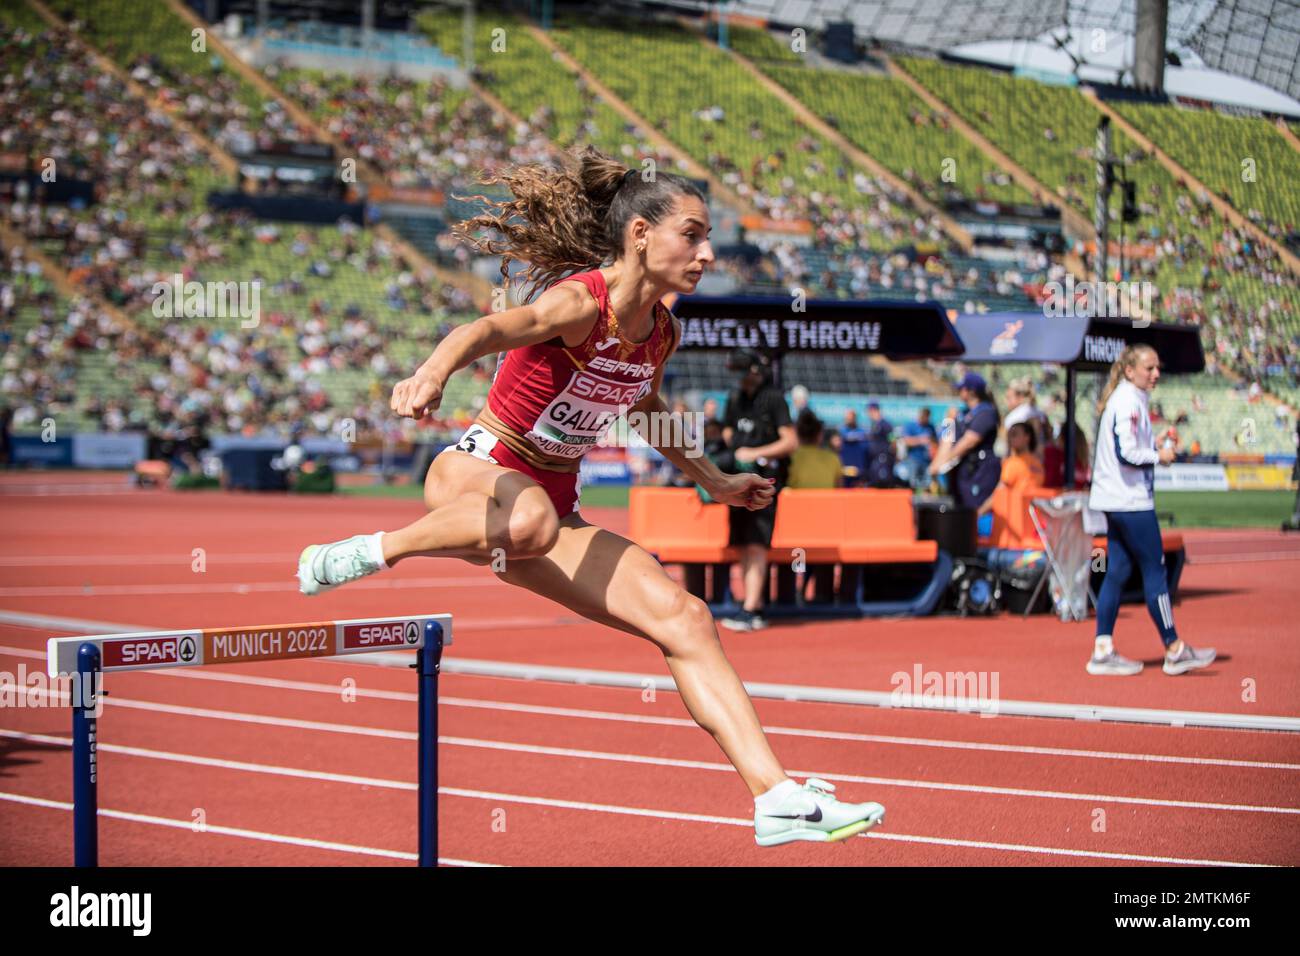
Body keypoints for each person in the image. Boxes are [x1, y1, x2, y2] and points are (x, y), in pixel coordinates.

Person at [294, 145, 884, 845]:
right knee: (531, 516)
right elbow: (483, 329)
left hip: (545, 516)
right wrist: (431, 375)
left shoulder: (660, 333)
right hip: (474, 476)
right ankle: (370, 551)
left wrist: (718, 481)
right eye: (691, 234)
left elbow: (650, 412)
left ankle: (775, 797)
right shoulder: (579, 302)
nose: (707, 253)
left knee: (684, 617)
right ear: (641, 236)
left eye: (708, 237)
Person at [1087, 344, 1215, 677]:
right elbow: (1126, 453)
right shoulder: (1128, 401)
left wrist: (1153, 444)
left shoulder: (1129, 398)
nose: (1156, 374)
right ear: (1130, 371)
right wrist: (1161, 456)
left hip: (1117, 498)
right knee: (1154, 570)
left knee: (1116, 571)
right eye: (1149, 368)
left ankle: (1103, 649)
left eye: (1158, 368)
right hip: (1129, 501)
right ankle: (1174, 648)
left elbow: (1129, 447)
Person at [719, 349, 798, 632]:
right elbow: (728, 431)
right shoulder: (735, 397)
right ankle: (750, 603)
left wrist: (754, 452)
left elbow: (790, 441)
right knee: (743, 543)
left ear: (755, 370)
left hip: (764, 481)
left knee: (757, 543)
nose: (738, 377)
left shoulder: (773, 397)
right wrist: (735, 449)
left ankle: (752, 609)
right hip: (738, 480)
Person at [929, 372, 1001, 514]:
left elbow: (968, 442)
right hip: (961, 475)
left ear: (972, 391)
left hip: (979, 473)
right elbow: (947, 441)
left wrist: (942, 462)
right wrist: (948, 422)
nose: (959, 392)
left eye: (962, 389)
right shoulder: (962, 413)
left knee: (974, 514)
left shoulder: (986, 412)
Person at [977, 422, 1043, 518]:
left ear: (1027, 437)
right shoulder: (1038, 463)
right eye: (1009, 435)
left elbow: (1000, 491)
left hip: (1014, 518)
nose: (1010, 438)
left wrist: (979, 512)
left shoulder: (1014, 463)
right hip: (1032, 518)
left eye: (1014, 434)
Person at [787, 409, 841, 489]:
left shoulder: (789, 459)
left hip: (797, 501)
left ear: (797, 433)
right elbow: (839, 488)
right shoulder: (833, 458)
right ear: (820, 435)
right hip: (826, 501)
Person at [898, 407, 937, 489]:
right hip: (914, 459)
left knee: (927, 483)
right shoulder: (910, 425)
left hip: (927, 460)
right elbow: (906, 441)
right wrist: (921, 440)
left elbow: (935, 441)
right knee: (914, 483)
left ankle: (925, 500)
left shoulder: (930, 427)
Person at [863, 402, 895, 487]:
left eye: (869, 411)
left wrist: (893, 456)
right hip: (874, 459)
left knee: (882, 483)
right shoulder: (873, 425)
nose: (868, 414)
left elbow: (893, 441)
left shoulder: (885, 425)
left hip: (883, 459)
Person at [837, 409, 868, 487]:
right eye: (847, 418)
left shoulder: (861, 431)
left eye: (851, 418)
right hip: (845, 468)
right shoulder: (841, 431)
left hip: (858, 469)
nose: (849, 420)